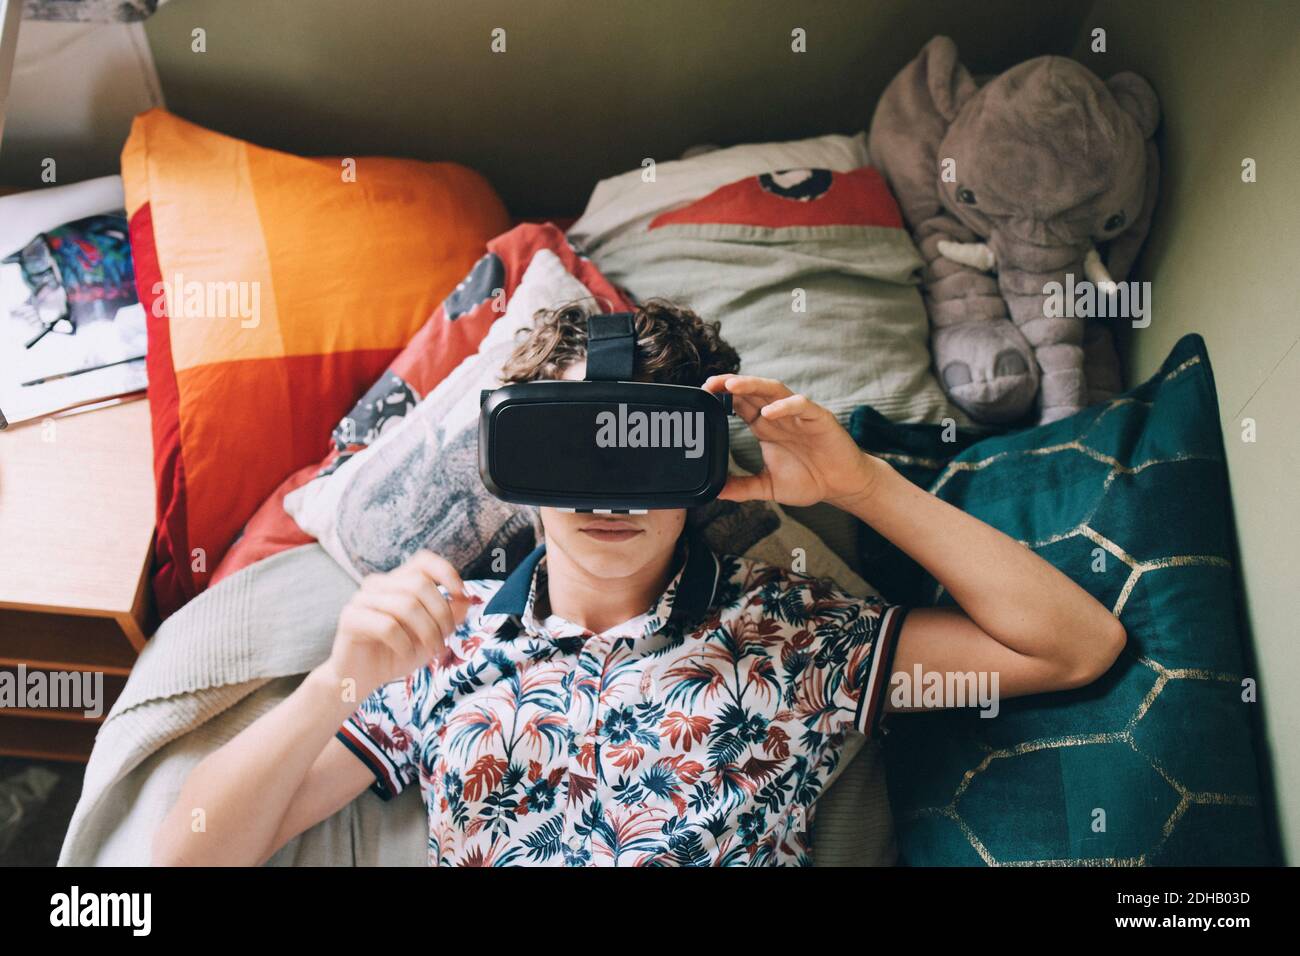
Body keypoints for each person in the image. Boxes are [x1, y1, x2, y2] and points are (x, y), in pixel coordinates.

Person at [153, 300, 1124, 867]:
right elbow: (185, 855)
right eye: (575, 443)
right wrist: (338, 681)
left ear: (695, 466)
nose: (607, 491)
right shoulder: (439, 652)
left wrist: (864, 487)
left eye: (642, 447)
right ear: (520, 467)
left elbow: (1072, 643)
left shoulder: (791, 637)